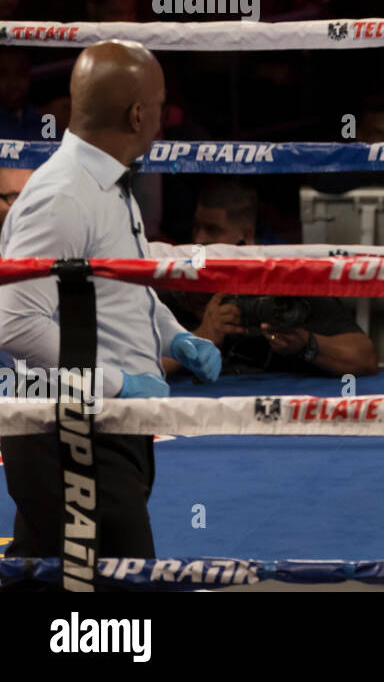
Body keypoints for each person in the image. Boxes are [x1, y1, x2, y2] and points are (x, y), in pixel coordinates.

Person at [0, 41, 221, 562]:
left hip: (98, 426)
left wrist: (175, 336)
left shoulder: (109, 184)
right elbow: (13, 322)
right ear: (138, 113)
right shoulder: (64, 196)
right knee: (123, 600)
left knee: (50, 577)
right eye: (160, 104)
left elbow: (125, 289)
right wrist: (116, 381)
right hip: (73, 434)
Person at [158, 180, 378, 377]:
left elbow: (364, 358)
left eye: (212, 230)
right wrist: (200, 337)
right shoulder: (177, 284)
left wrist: (307, 344)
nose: (199, 239)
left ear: (246, 237)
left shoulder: (283, 281)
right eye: (196, 227)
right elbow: (133, 369)